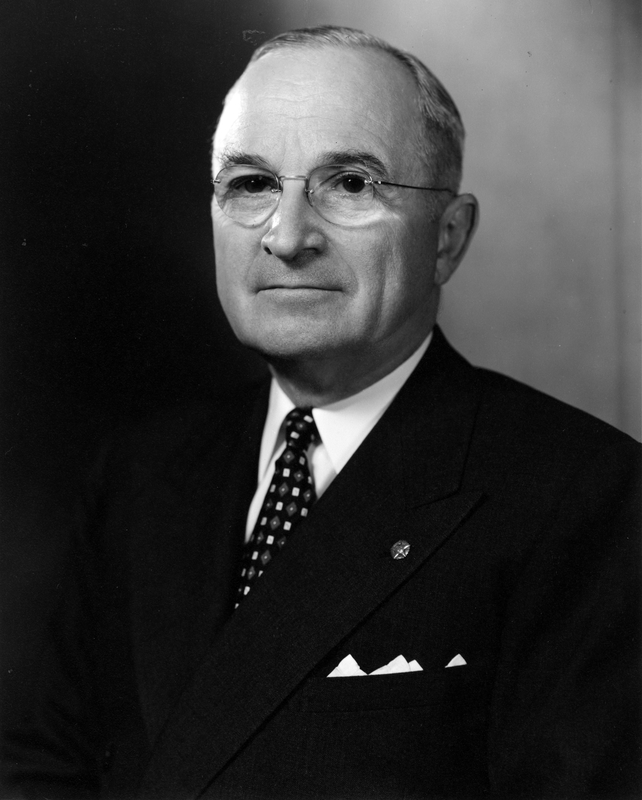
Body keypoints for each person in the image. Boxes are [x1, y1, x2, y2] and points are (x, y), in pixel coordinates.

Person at [2, 25, 640, 800]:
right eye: (250, 184)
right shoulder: (145, 473)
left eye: (349, 184)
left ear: (447, 239)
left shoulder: (589, 496)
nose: (287, 236)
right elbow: (44, 767)